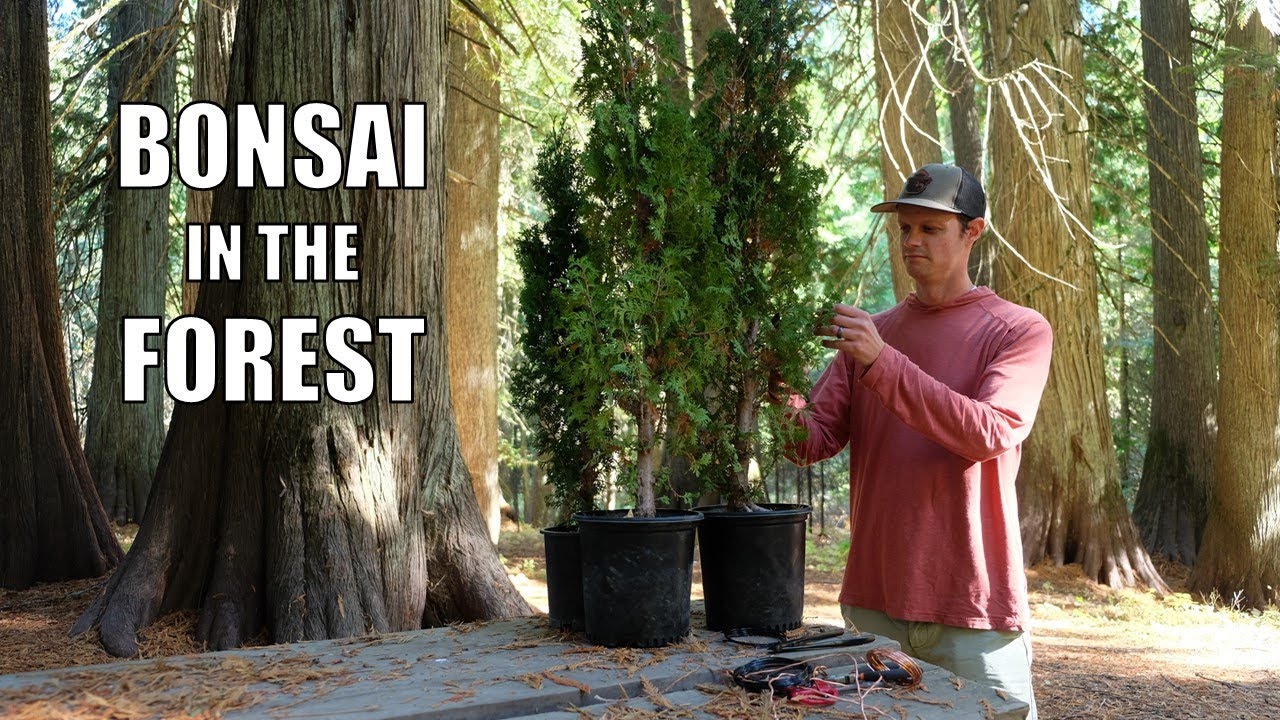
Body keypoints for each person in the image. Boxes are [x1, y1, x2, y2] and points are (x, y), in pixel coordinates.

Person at [781, 164, 1052, 718]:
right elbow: (812, 440)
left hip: (973, 609)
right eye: (905, 228)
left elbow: (989, 430)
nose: (911, 241)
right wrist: (773, 384)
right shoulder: (872, 336)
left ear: (972, 232)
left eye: (930, 229)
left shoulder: (1018, 329)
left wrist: (881, 361)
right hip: (874, 604)